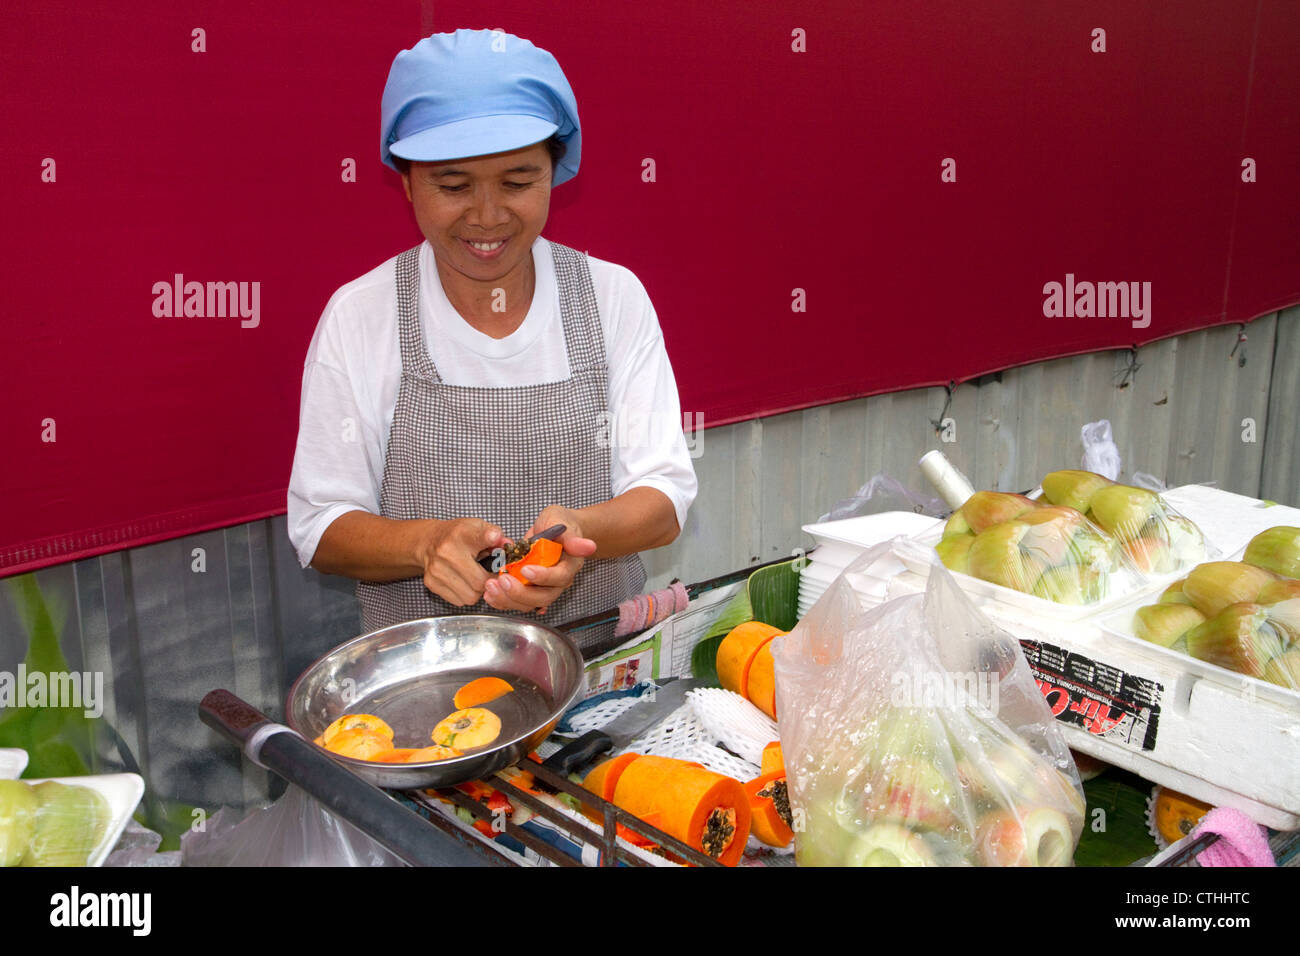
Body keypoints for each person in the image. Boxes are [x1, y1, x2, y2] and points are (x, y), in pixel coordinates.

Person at [287, 29, 697, 638]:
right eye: (453, 186)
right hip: (427, 688)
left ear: (556, 173)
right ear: (405, 182)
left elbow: (662, 498)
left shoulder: (613, 299)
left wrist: (577, 531)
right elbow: (320, 526)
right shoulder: (363, 315)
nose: (487, 216)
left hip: (592, 670)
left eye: (517, 181)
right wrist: (425, 545)